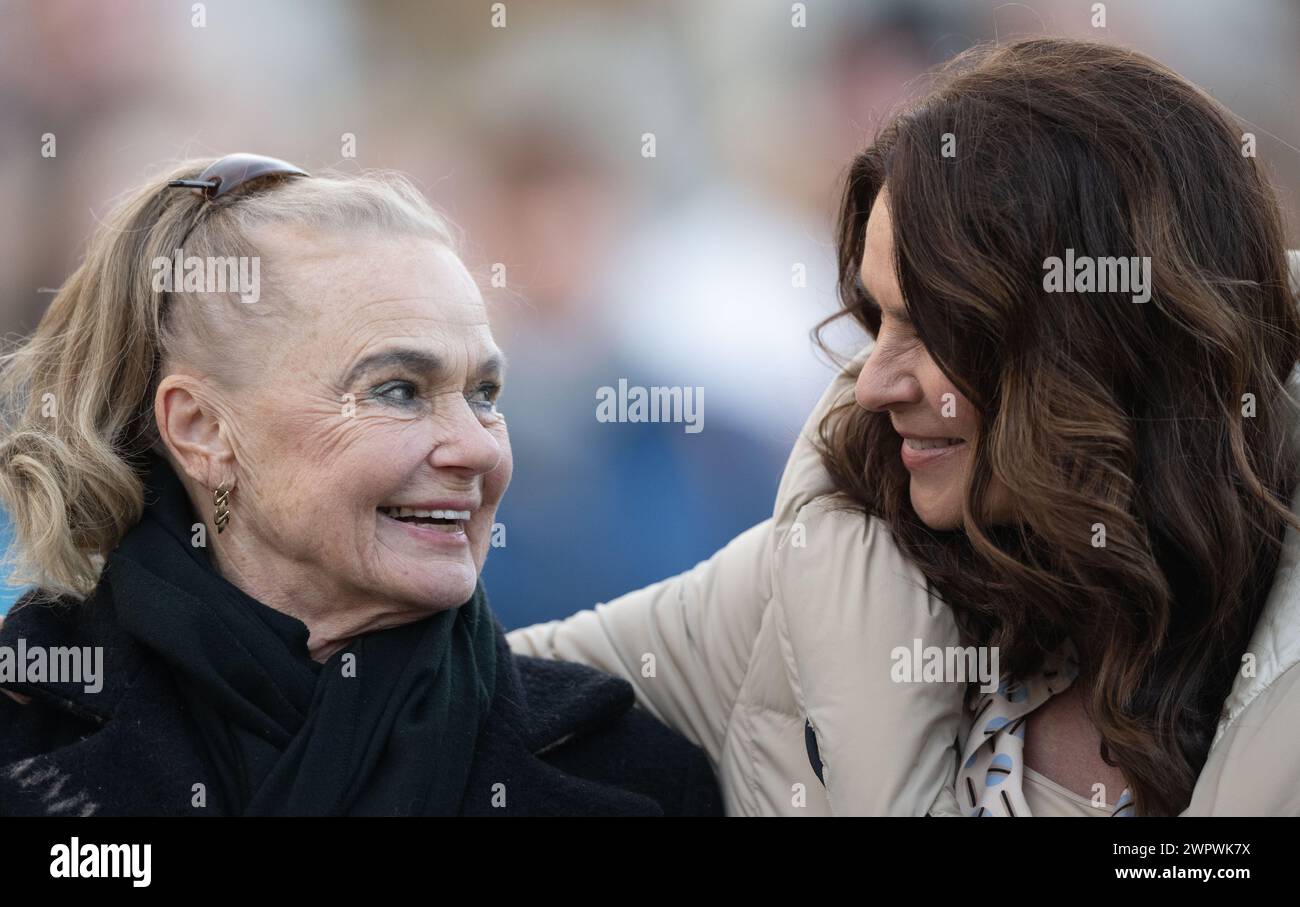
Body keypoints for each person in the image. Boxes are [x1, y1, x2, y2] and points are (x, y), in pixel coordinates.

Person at [508, 38, 1300, 816]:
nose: (876, 385)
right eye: (876, 317)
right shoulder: (816, 574)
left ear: (1097, 347)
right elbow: (461, 695)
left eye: (935, 329)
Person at [0, 154, 721, 816]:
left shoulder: (630, 771)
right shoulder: (26, 732)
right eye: (399, 390)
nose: (476, 447)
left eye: (486, 393)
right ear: (202, 429)